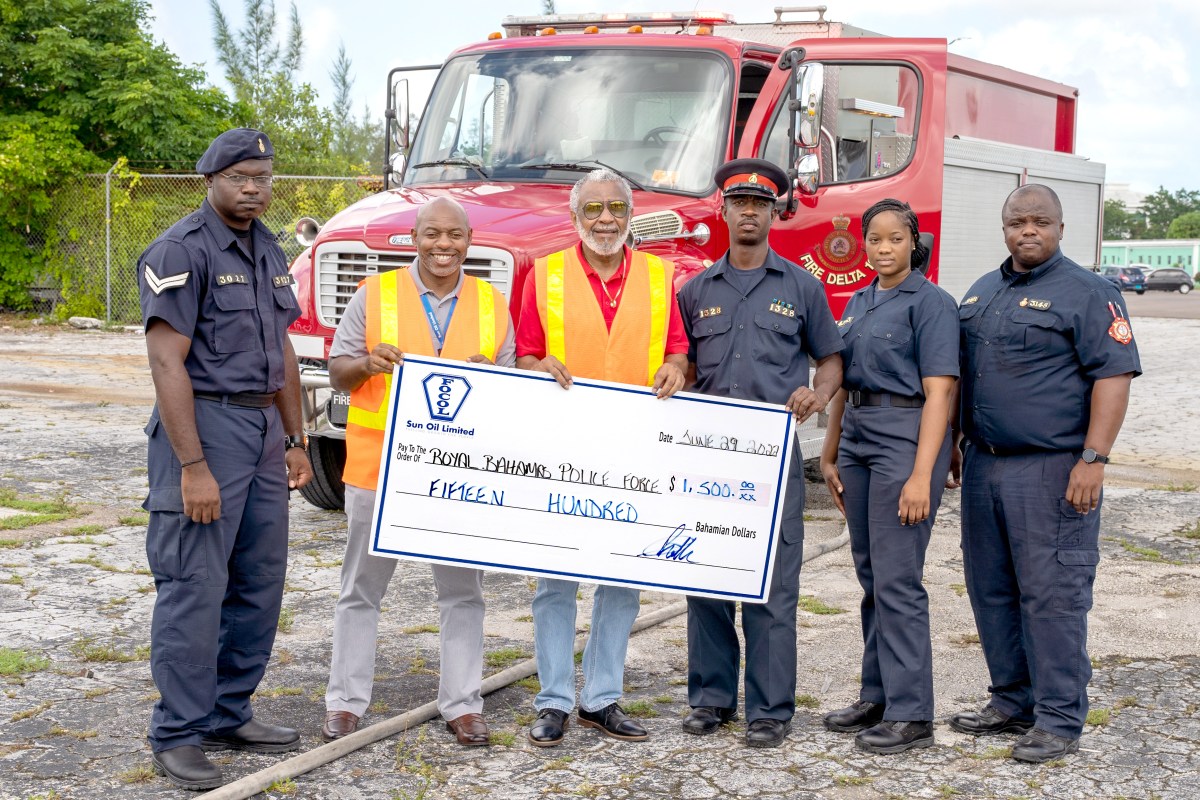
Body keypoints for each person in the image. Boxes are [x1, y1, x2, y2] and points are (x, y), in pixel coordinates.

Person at [137, 128, 313, 791]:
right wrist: (192, 466)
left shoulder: (268, 249)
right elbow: (165, 360)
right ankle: (177, 733)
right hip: (205, 425)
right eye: (241, 176)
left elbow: (285, 351)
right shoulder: (182, 250)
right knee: (193, 589)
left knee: (258, 583)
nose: (254, 188)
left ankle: (226, 711)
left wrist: (296, 438)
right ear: (209, 179)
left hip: (264, 431)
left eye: (263, 177)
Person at [949, 184, 1141, 763]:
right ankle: (1012, 700)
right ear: (1003, 227)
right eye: (1016, 221)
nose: (1027, 231)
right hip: (985, 465)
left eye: (1040, 222)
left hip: (1053, 469)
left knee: (1053, 595)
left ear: (1061, 229)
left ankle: (1059, 717)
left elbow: (1114, 376)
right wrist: (958, 442)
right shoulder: (982, 291)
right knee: (993, 590)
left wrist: (1094, 458)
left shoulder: (1090, 293)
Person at [322, 197, 515, 747]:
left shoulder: (489, 302)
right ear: (414, 237)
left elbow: (510, 390)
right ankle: (344, 702)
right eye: (432, 234)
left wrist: (489, 378)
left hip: (456, 473)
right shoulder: (374, 295)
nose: (443, 245)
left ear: (469, 240)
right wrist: (367, 363)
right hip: (377, 465)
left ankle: (463, 704)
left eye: (454, 235)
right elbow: (337, 372)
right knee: (361, 589)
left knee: (462, 591)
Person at [515, 168, 689, 747]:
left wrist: (677, 369)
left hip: (635, 450)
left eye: (616, 207)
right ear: (575, 218)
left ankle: (603, 698)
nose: (606, 219)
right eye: (594, 210)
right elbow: (526, 355)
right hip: (563, 448)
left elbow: (678, 351)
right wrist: (537, 368)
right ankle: (555, 699)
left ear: (631, 214)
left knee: (621, 577)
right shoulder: (543, 275)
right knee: (556, 579)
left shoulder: (662, 277)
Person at [676, 158, 844, 748]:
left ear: (774, 213)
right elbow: (682, 364)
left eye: (760, 204)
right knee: (706, 579)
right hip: (708, 457)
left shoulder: (802, 286)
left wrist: (818, 393)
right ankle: (712, 698)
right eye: (738, 203)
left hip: (772, 460)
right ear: (722, 212)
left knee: (774, 585)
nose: (749, 212)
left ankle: (770, 709)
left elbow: (831, 359)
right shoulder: (694, 290)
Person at [819, 199, 959, 754]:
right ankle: (877, 695)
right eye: (874, 239)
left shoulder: (931, 303)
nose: (883, 249)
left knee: (899, 579)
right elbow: (841, 382)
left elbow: (940, 392)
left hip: (904, 436)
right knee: (872, 575)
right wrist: (829, 454)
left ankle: (912, 714)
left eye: (894, 239)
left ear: (913, 242)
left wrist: (922, 474)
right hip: (857, 434)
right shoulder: (856, 301)